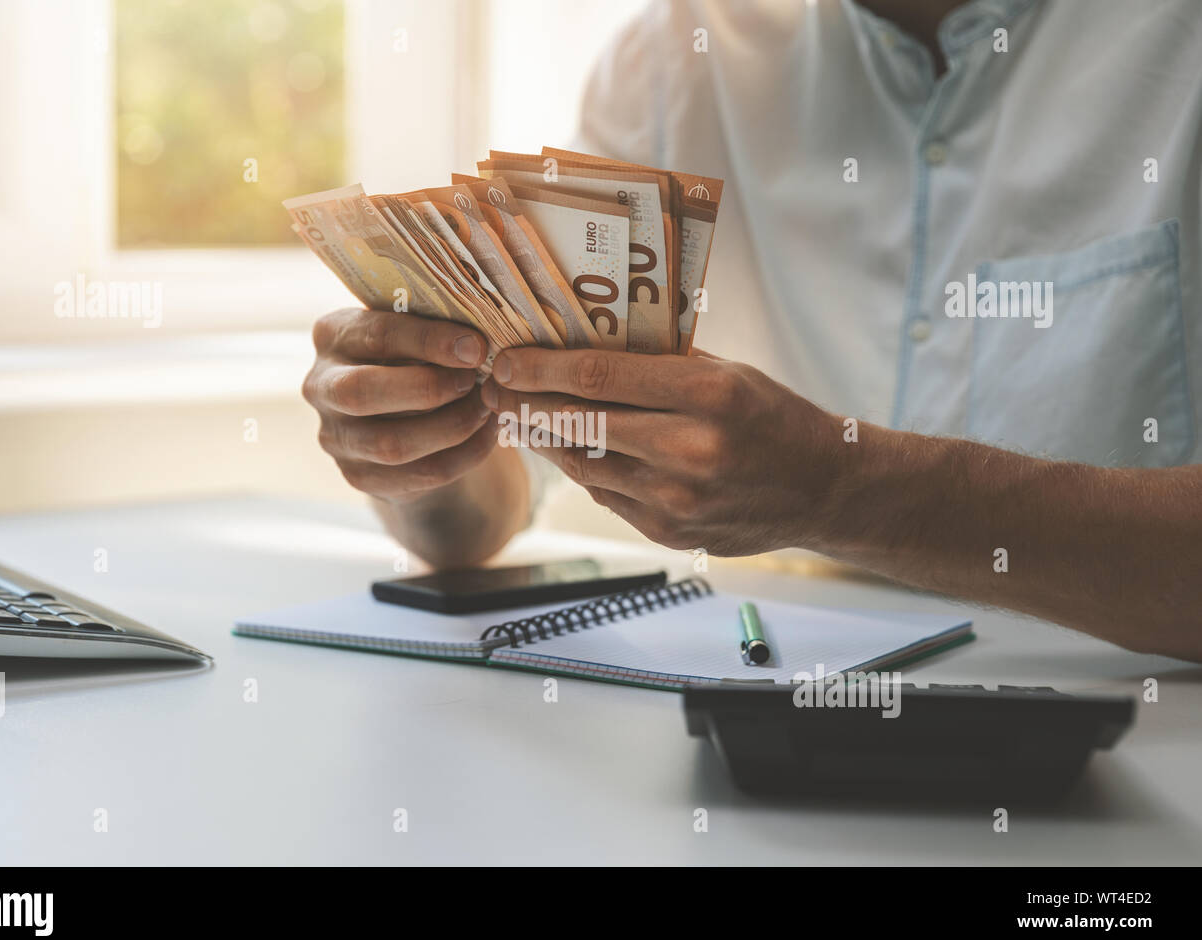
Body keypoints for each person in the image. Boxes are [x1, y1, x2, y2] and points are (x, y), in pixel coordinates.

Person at [302, 0, 1202, 661]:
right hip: (754, 733)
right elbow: (489, 505)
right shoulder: (670, 60)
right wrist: (415, 446)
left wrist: (841, 490)